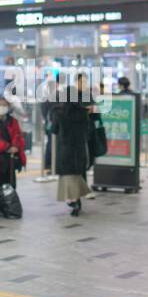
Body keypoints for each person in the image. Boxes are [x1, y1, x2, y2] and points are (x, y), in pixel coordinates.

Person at [52, 73, 95, 216]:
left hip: (64, 148)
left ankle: (72, 199)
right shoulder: (83, 113)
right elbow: (87, 130)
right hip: (79, 147)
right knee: (78, 173)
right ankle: (77, 199)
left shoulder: (59, 112)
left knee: (67, 175)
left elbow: (54, 130)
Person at [0, 96, 26, 188]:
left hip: (10, 160)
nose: (1, 107)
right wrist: (7, 147)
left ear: (8, 107)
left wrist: (15, 146)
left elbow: (18, 135)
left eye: (4, 105)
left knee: (10, 187)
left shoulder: (12, 120)